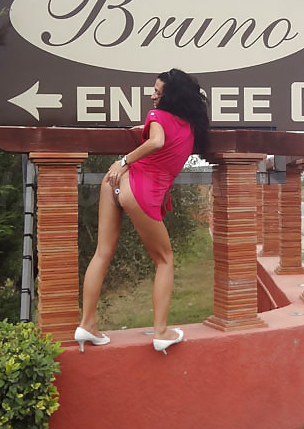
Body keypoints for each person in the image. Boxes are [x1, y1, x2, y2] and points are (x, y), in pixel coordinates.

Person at [74, 69, 209, 354]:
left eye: (157, 93)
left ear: (171, 96)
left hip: (115, 184)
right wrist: (124, 160)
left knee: (102, 252)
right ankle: (161, 332)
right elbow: (158, 142)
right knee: (164, 260)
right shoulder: (177, 123)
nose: (152, 96)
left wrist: (123, 164)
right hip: (139, 188)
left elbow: (159, 137)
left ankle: (87, 324)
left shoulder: (159, 117)